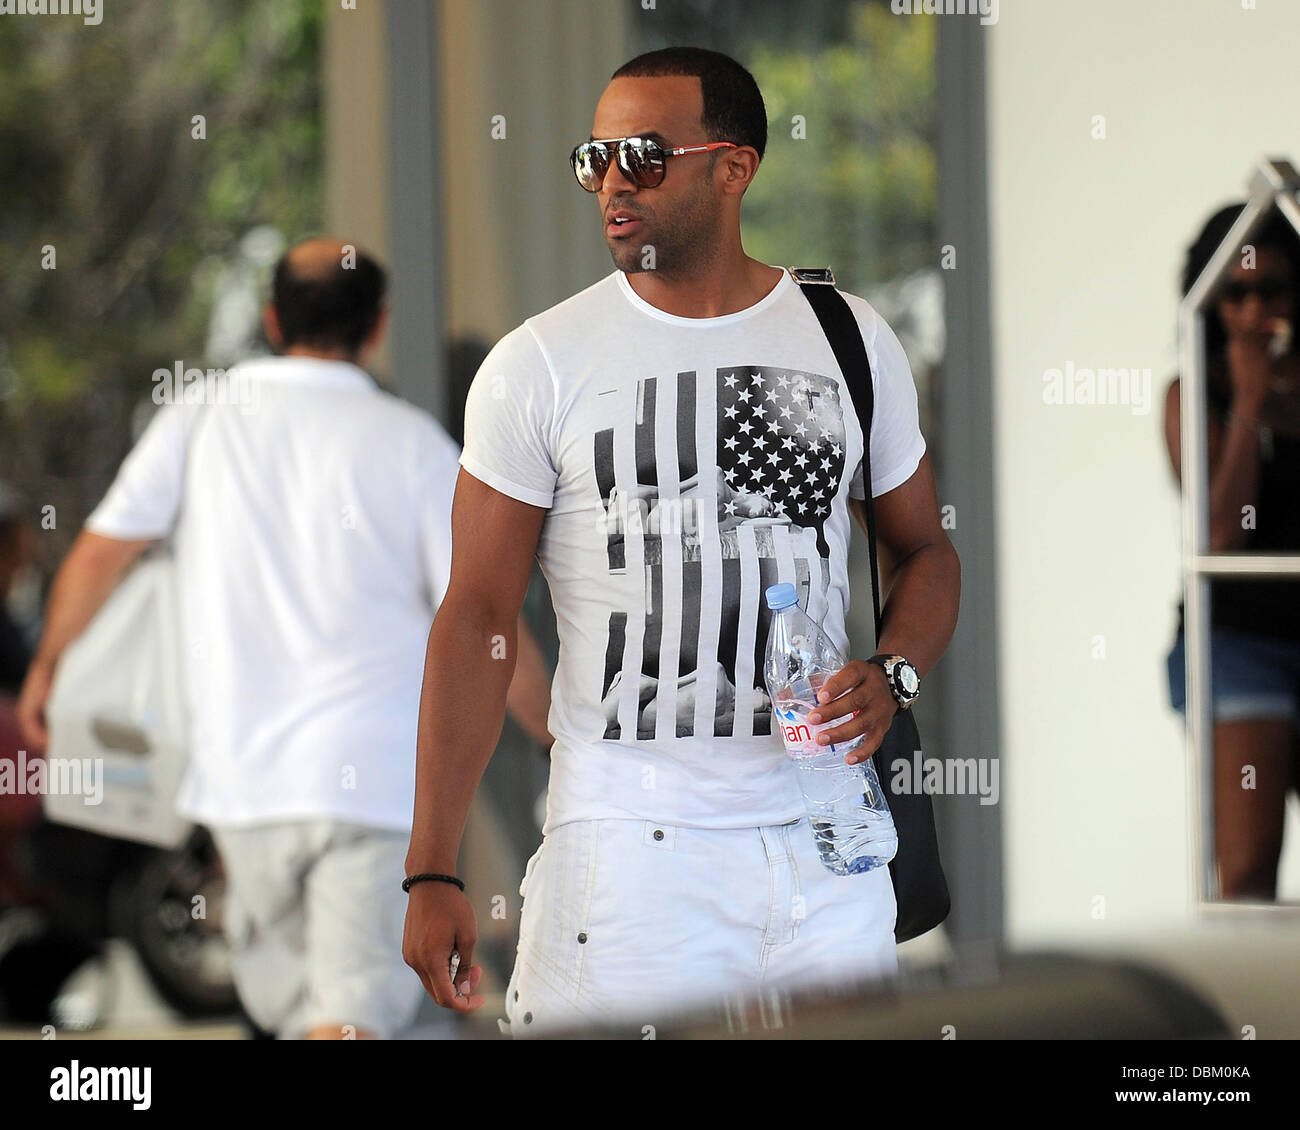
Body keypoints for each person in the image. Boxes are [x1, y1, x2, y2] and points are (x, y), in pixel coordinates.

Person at [402, 47, 961, 1036]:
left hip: (825, 836)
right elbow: (478, 616)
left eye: (646, 157)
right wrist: (433, 862)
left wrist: (896, 671)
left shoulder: (847, 339)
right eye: (596, 158)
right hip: (625, 859)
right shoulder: (539, 364)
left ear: (734, 167)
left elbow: (924, 551)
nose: (613, 183)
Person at [16, 238, 553, 1038]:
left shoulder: (199, 418)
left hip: (244, 787)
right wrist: (563, 732)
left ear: (271, 318)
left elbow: (100, 553)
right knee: (350, 1020)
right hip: (372, 787)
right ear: (377, 327)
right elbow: (486, 620)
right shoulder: (410, 444)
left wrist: (49, 668)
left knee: (327, 1015)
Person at [1163, 204, 1300, 900]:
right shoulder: (1194, 395)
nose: (1253, 311)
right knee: (1245, 875)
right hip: (1240, 640)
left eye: (1271, 290)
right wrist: (1248, 402)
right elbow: (1220, 535)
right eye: (1234, 294)